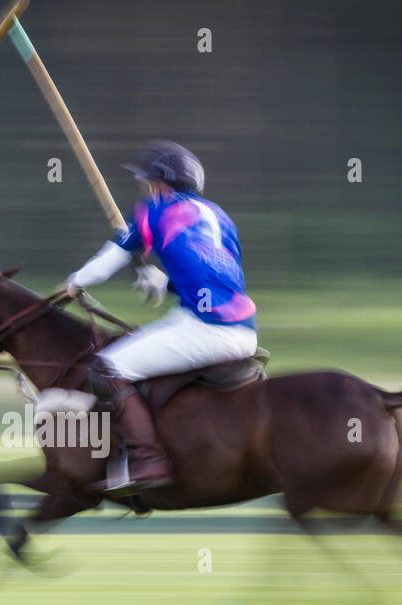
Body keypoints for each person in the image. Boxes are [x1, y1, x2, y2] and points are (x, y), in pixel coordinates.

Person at [64, 140, 258, 492]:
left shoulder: (154, 212)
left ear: (162, 183)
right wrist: (164, 282)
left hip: (206, 330)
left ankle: (148, 460)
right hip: (244, 330)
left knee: (106, 368)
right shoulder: (221, 217)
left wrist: (74, 283)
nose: (146, 188)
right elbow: (217, 278)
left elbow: (107, 264)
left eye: (149, 181)